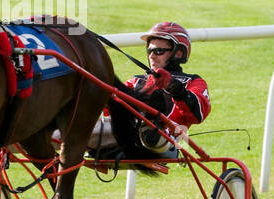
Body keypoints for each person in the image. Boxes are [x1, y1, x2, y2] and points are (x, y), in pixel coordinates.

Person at [86, 21, 212, 155]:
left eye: (158, 51)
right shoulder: (136, 81)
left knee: (154, 130)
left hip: (165, 139)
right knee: (73, 127)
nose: (152, 56)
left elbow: (198, 114)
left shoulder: (193, 82)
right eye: (150, 51)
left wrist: (174, 87)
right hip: (123, 135)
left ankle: (152, 124)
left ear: (178, 53)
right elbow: (108, 110)